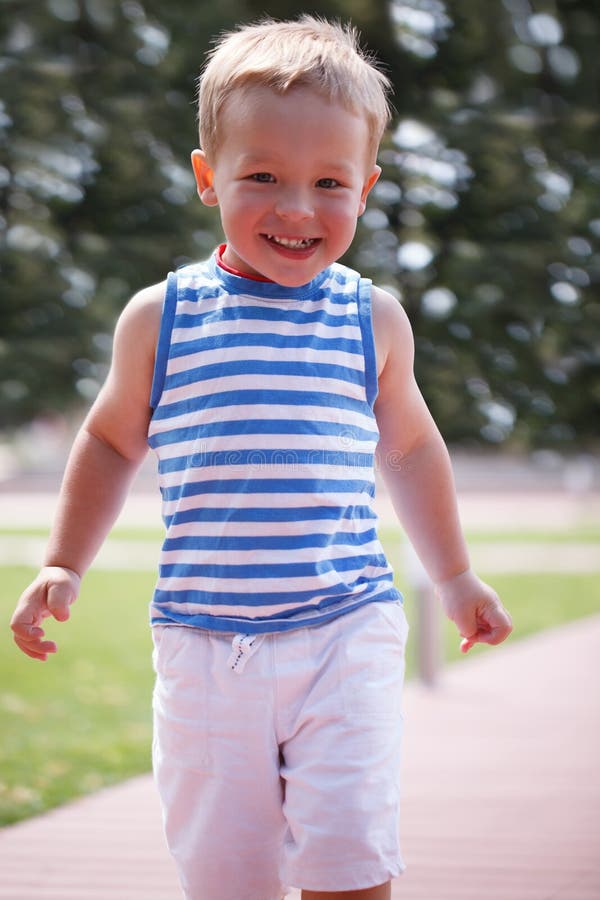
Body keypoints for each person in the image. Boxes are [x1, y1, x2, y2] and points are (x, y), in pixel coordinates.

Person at [10, 15, 512, 900]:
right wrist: (63, 559)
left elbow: (413, 448)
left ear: (367, 188)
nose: (297, 208)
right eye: (263, 177)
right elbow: (108, 439)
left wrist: (458, 575)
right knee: (225, 874)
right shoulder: (159, 319)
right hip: (205, 643)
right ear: (209, 178)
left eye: (330, 183)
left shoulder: (373, 320)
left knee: (349, 858)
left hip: (344, 630)